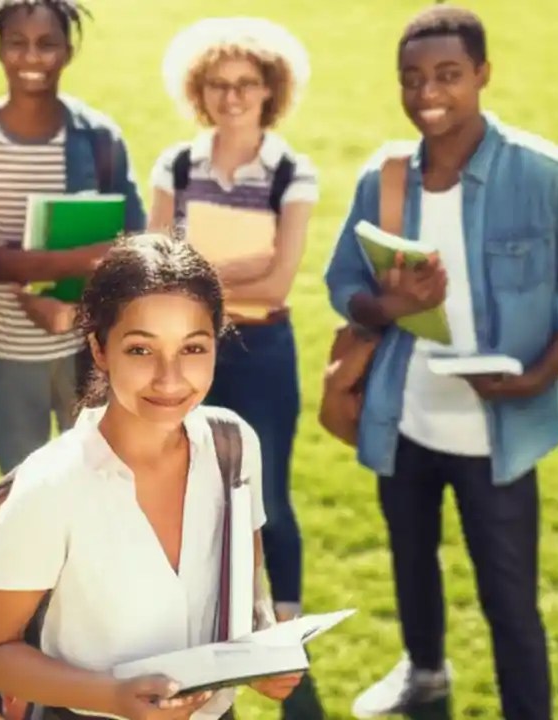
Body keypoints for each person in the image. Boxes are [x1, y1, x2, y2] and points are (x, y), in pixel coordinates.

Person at [323, 6, 558, 719]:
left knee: (510, 602)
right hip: (404, 418)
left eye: (449, 74)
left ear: (483, 75)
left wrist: (537, 379)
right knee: (411, 563)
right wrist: (389, 309)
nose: (429, 91)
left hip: (500, 434)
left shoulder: (546, 173)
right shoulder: (385, 178)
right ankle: (425, 673)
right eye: (413, 77)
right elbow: (343, 286)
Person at [0, 233, 302, 719]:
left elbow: (243, 586)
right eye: (142, 350)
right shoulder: (51, 486)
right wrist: (115, 697)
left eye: (193, 348)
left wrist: (264, 644)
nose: (170, 379)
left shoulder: (234, 443)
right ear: (99, 349)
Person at [148, 14, 317, 628]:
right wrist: (231, 268)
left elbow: (276, 282)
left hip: (263, 349)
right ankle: (210, 616)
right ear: (200, 91)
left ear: (271, 89)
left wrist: (197, 270)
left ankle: (287, 625)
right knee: (191, 488)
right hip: (188, 350)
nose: (233, 96)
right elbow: (157, 268)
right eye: (218, 84)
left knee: (266, 491)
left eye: (247, 82)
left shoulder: (289, 172)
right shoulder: (178, 165)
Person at [0, 0, 146, 474]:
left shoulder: (98, 139)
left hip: (86, 351)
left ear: (67, 52)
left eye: (47, 44)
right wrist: (71, 260)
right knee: (23, 483)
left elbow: (134, 248)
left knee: (96, 480)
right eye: (18, 44)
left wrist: (73, 307)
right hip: (3, 352)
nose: (32, 58)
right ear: (0, 50)